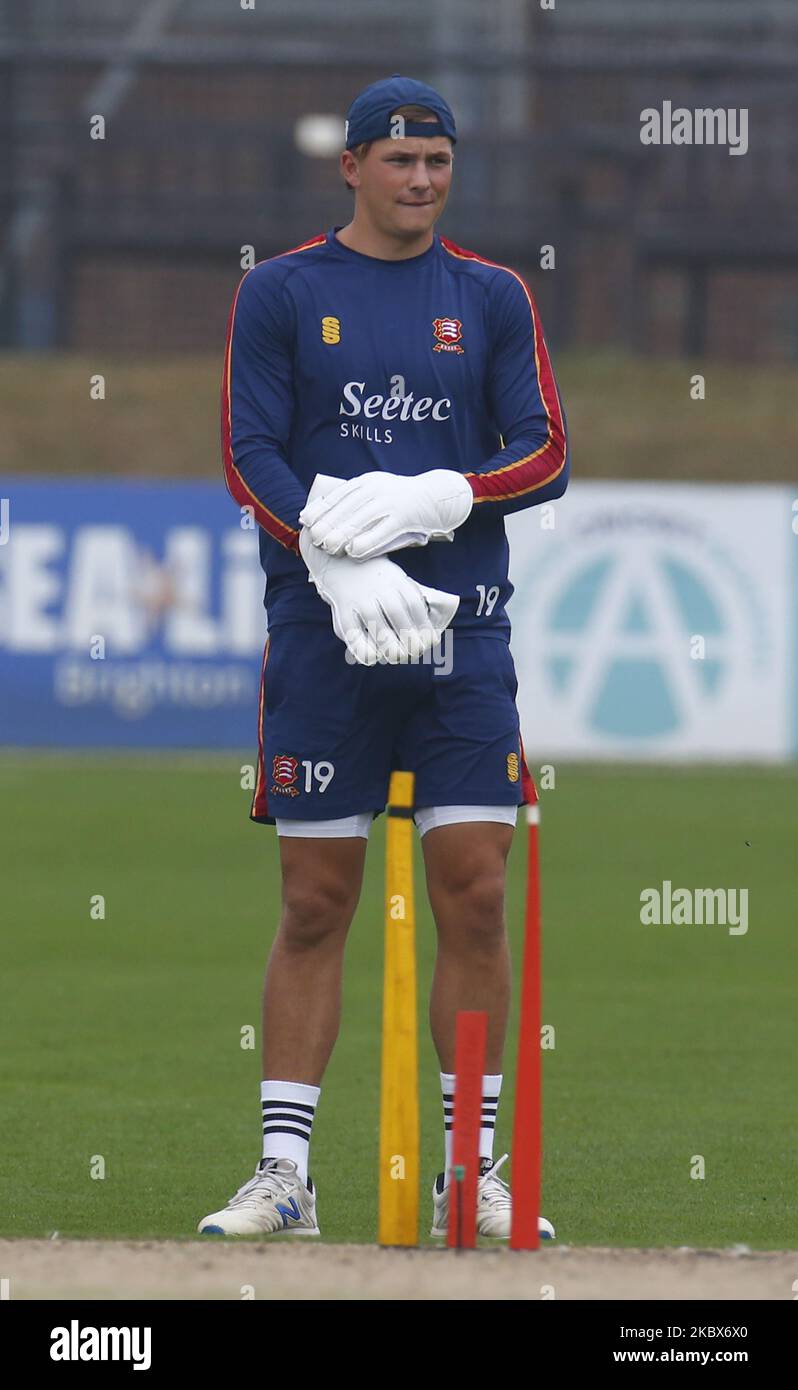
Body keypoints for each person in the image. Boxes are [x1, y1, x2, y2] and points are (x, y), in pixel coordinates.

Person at [200, 74, 568, 1241]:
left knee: (475, 885)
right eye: (398, 162)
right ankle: (284, 1175)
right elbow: (246, 449)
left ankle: (474, 1171)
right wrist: (332, 552)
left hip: (464, 635)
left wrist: (445, 489)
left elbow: (548, 449)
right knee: (316, 901)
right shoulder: (281, 291)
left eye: (438, 164)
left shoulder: (493, 296)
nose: (420, 182)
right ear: (350, 167)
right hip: (323, 636)